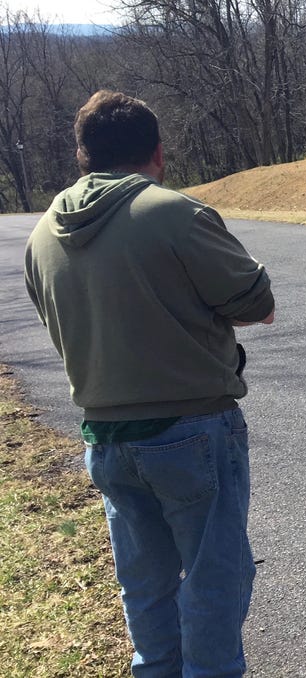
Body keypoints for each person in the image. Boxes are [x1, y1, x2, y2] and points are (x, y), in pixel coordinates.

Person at [24, 90, 275, 677]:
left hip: (104, 437)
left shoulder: (42, 235)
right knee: (217, 578)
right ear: (157, 152)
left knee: (145, 584)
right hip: (191, 429)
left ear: (83, 155)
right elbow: (256, 301)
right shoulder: (174, 213)